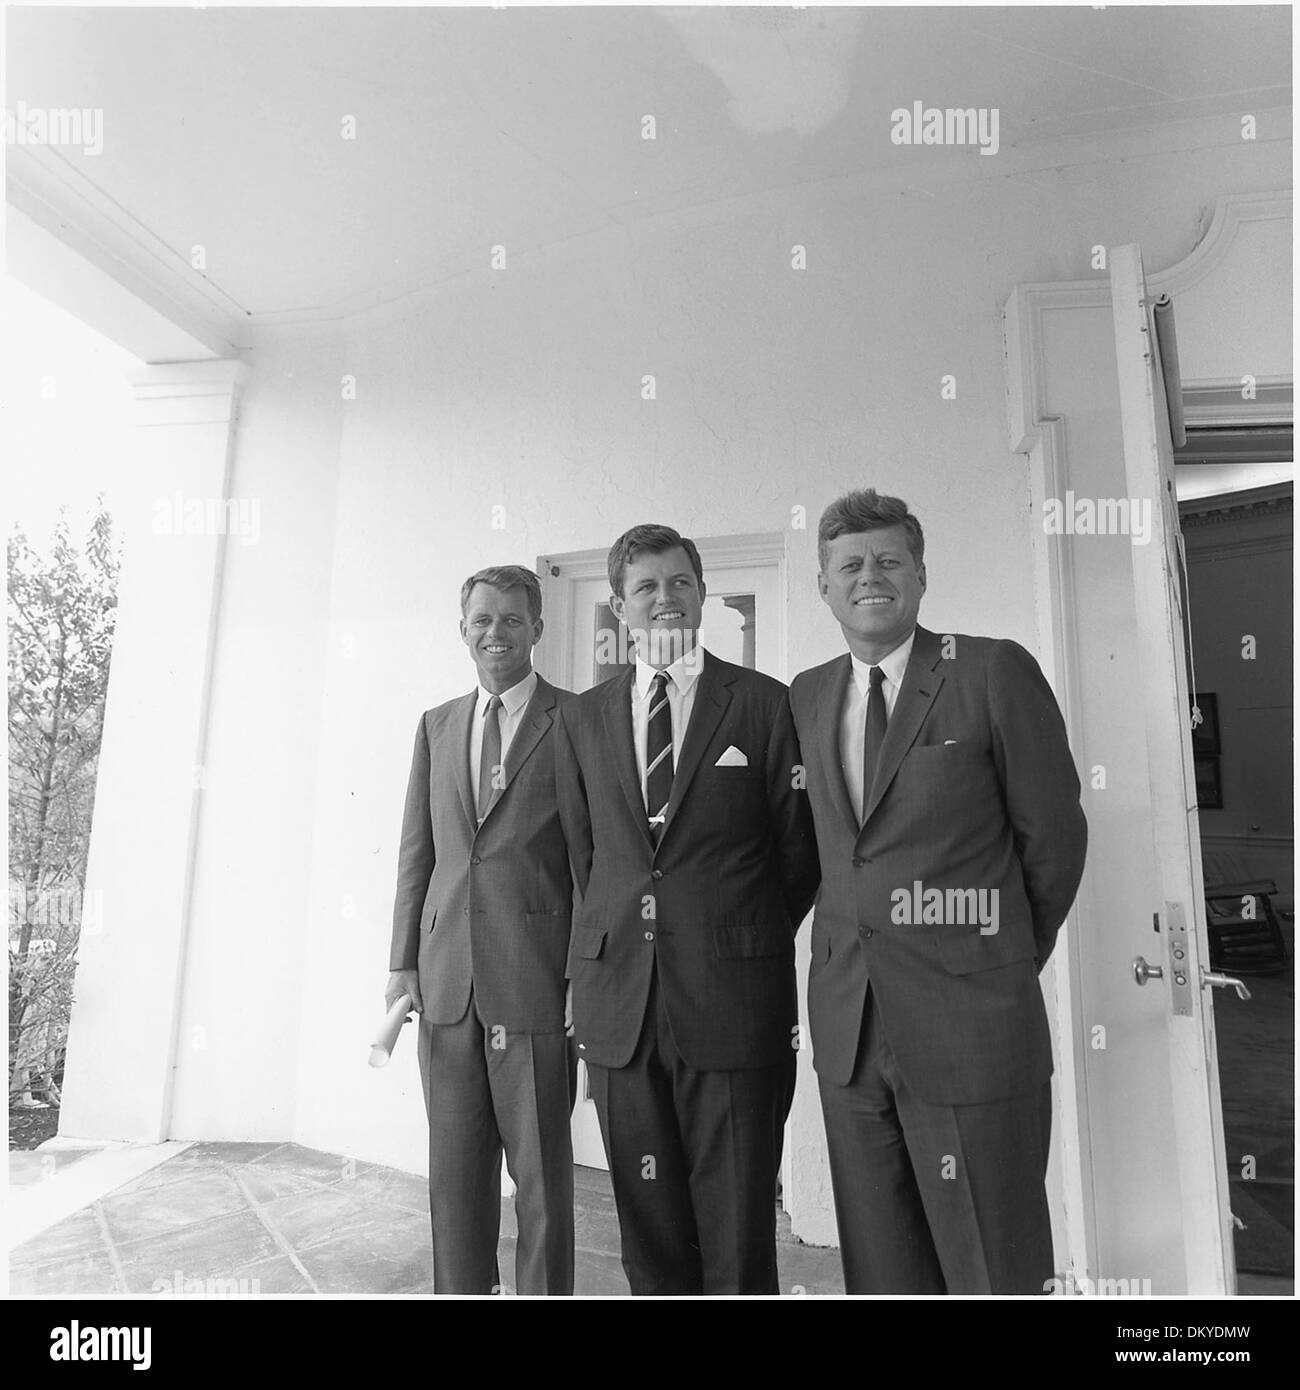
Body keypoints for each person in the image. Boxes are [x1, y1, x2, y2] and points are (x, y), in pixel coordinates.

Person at [789, 489, 1087, 1295]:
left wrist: (995, 957)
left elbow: (1053, 843)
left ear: (920, 574)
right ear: (824, 586)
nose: (870, 577)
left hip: (973, 1027)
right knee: (883, 1271)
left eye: (889, 560)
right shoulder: (806, 695)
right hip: (850, 1032)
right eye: (849, 565)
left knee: (993, 1264)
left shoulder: (990, 669)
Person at [554, 524, 820, 1295]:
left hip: (736, 1004)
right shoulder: (581, 718)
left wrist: (737, 936)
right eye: (646, 587)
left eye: (678, 583)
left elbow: (796, 854)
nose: (664, 599)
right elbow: (587, 857)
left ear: (701, 592)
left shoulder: (765, 704)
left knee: (738, 1230)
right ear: (619, 606)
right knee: (650, 1226)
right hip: (621, 1011)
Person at [387, 564, 576, 1294]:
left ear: (538, 627)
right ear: (462, 628)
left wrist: (581, 974)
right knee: (454, 1174)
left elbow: (589, 859)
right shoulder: (436, 725)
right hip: (446, 983)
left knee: (542, 1181)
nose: (495, 632)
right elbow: (417, 852)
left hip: (536, 981)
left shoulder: (575, 720)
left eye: (511, 619)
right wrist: (403, 963)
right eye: (482, 620)